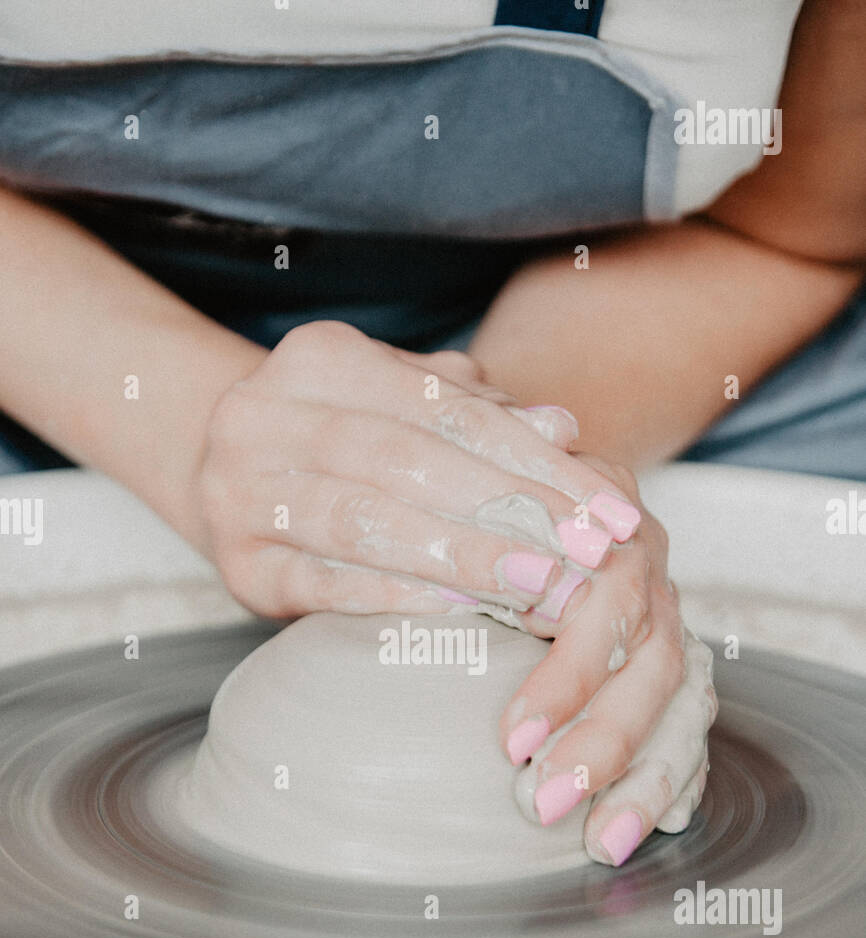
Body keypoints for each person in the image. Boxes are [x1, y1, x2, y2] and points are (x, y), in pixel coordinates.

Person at [0, 0, 862, 865]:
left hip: (625, 305)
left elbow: (796, 226)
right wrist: (206, 441)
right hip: (52, 330)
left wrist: (514, 478)